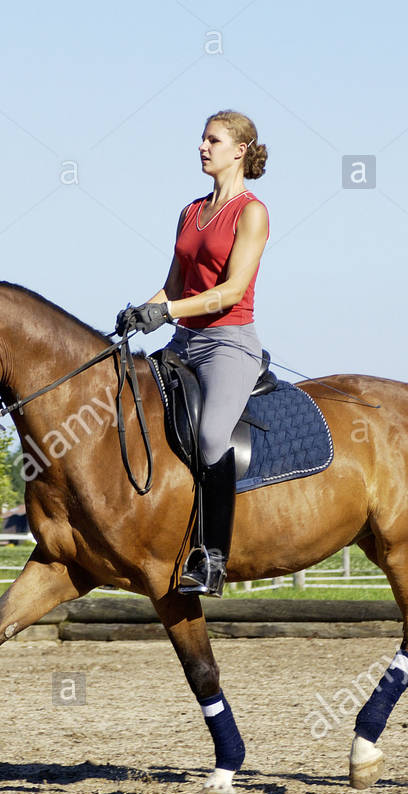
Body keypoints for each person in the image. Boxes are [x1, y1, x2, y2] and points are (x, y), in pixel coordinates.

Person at [116, 110, 270, 598]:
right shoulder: (190, 211)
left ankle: (213, 558)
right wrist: (143, 311)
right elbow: (174, 286)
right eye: (202, 139)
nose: (203, 147)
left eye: (213, 140)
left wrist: (168, 312)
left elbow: (230, 292)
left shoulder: (252, 212)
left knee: (209, 437)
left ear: (239, 150)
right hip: (184, 340)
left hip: (228, 342)